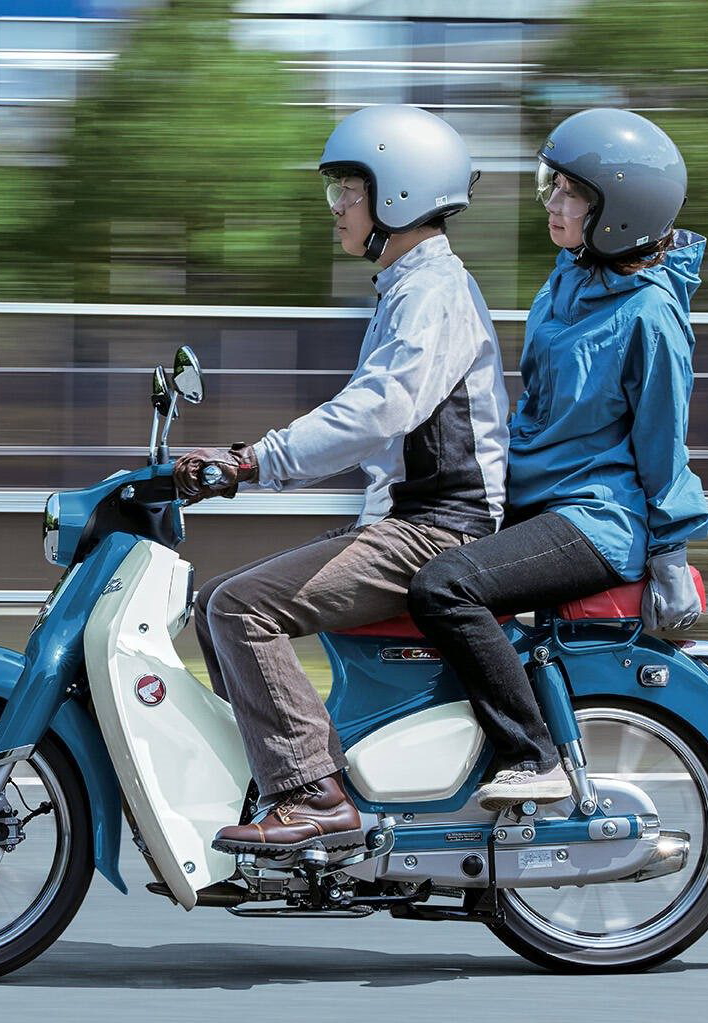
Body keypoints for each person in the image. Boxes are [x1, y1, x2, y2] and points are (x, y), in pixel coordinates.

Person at [175, 104, 509, 856]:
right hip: (402, 522)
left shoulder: (433, 293)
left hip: (435, 531)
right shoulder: (408, 287)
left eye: (345, 192)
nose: (334, 210)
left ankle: (312, 798)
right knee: (214, 605)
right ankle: (278, 776)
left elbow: (381, 406)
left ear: (398, 194)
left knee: (239, 610)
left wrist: (255, 461)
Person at [406, 107, 708, 810]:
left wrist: (671, 551)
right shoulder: (567, 280)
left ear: (618, 213)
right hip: (535, 498)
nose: (552, 201)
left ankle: (533, 754)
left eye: (570, 192)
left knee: (445, 588)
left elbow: (663, 445)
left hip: (595, 520)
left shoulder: (651, 317)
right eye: (554, 185)